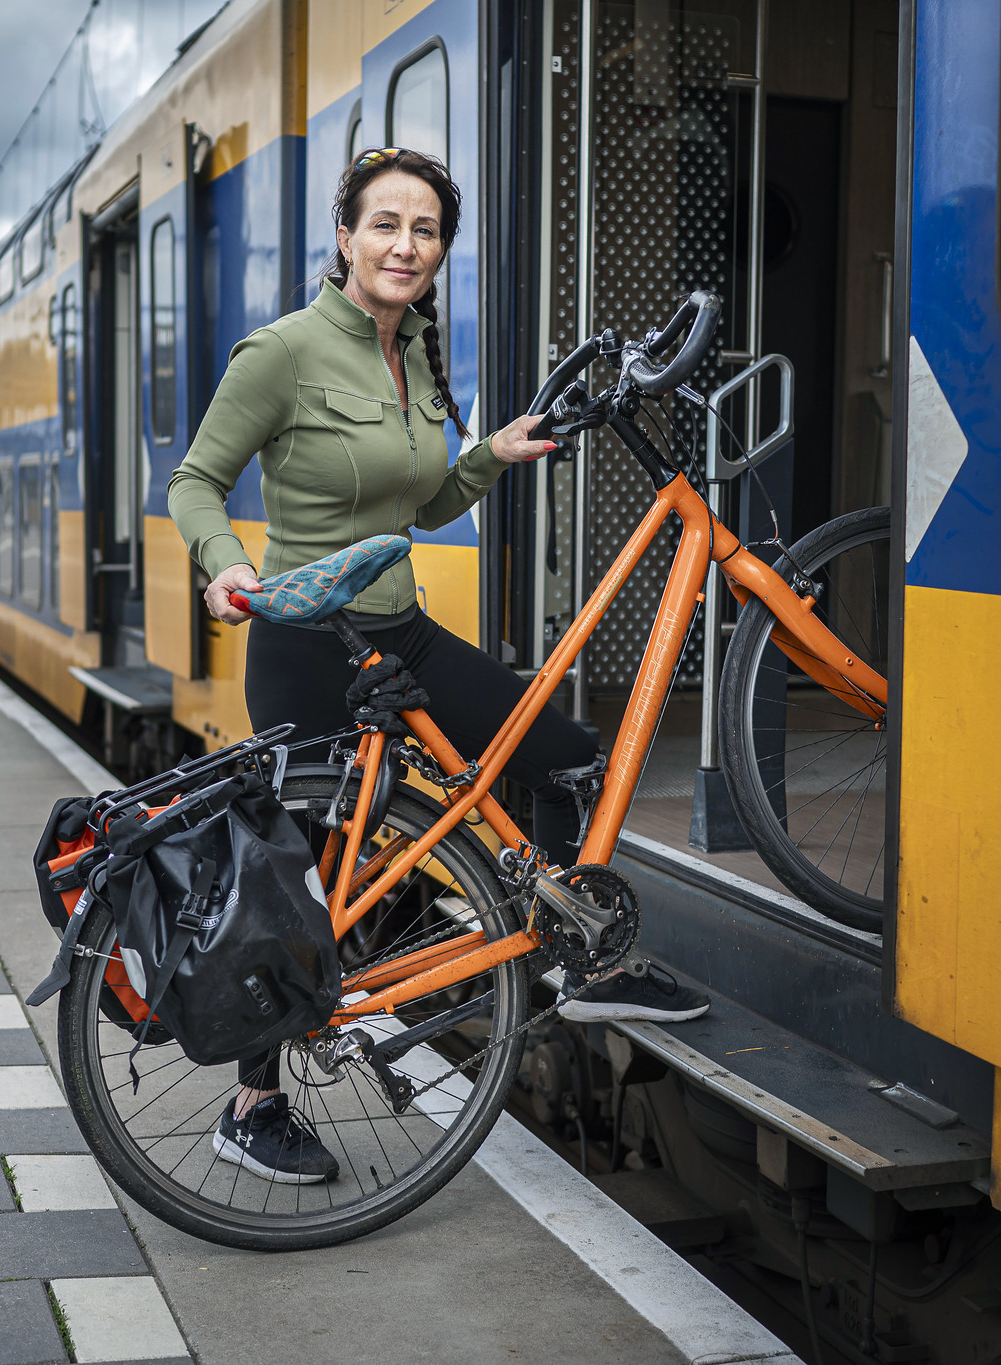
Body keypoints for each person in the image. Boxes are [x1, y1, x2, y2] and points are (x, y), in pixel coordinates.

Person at [168, 147, 709, 1184]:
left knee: (558, 755)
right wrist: (226, 566)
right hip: (307, 644)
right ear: (344, 236)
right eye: (384, 225)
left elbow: (414, 507)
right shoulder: (279, 354)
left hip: (397, 630)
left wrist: (487, 457)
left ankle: (572, 962)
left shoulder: (412, 353)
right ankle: (252, 1105)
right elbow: (198, 481)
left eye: (424, 231)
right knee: (307, 885)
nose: (404, 245)